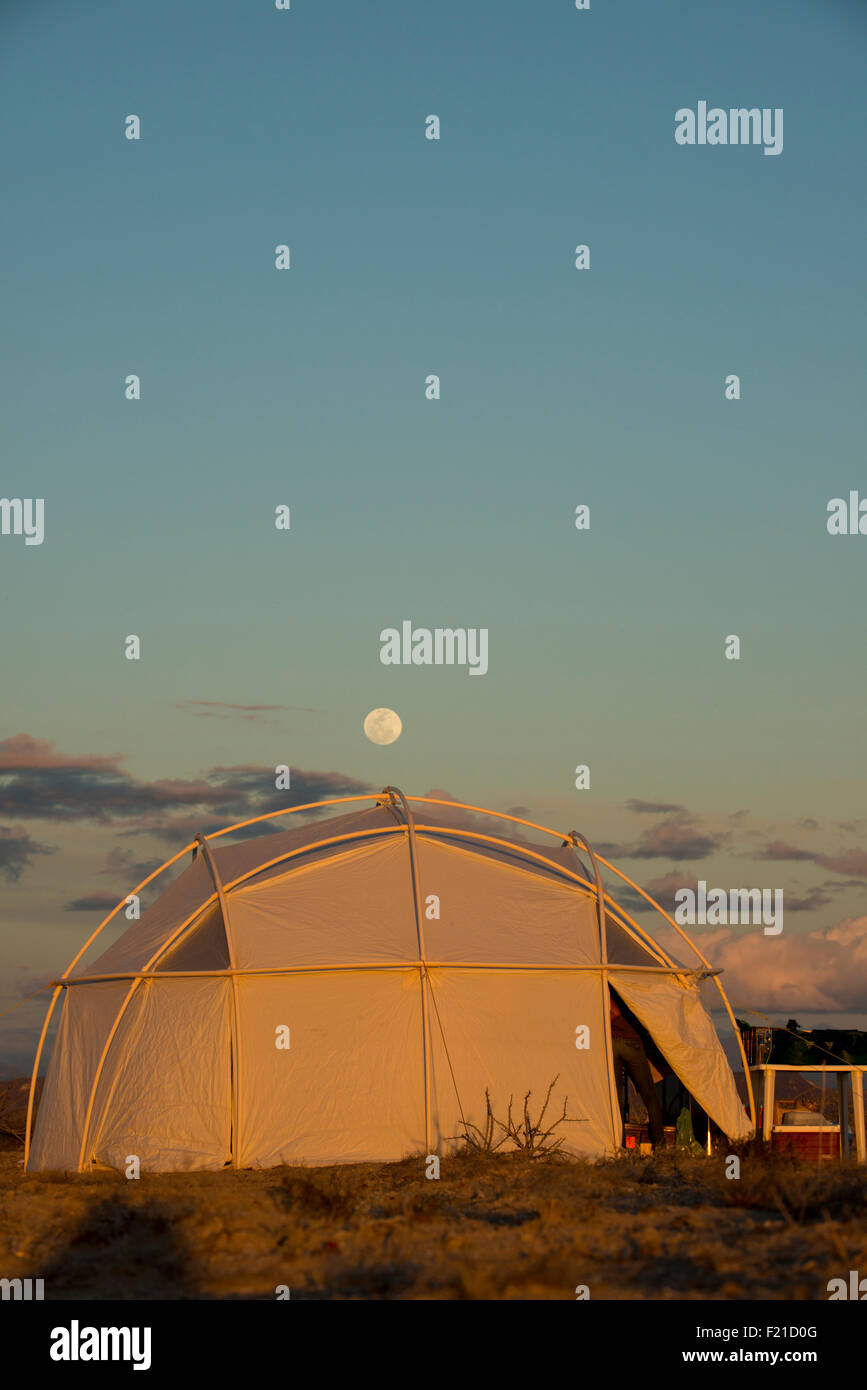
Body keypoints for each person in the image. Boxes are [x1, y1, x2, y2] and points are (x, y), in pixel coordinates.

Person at [609, 991, 665, 1145]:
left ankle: (618, 1143)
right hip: (632, 1042)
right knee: (649, 1096)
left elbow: (612, 1012)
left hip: (612, 1042)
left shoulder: (606, 989)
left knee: (616, 1098)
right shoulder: (629, 988)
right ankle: (660, 1144)